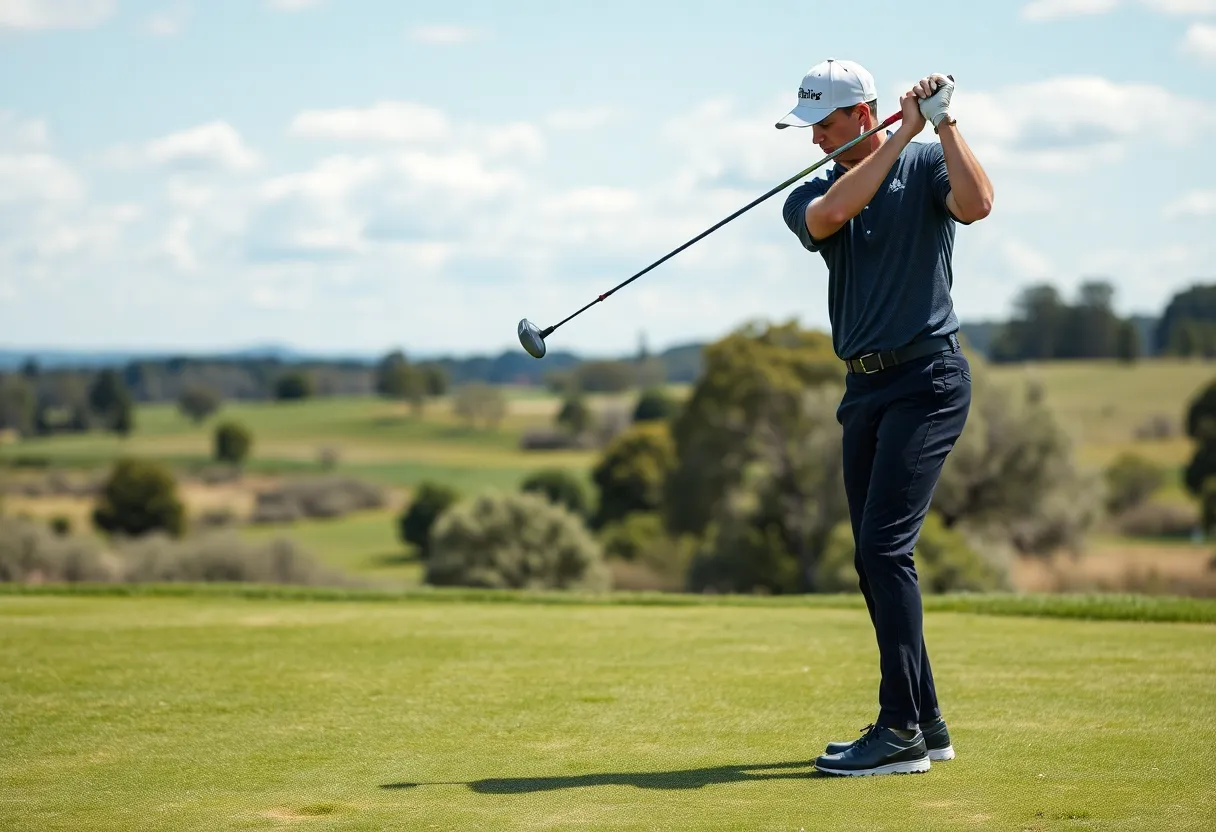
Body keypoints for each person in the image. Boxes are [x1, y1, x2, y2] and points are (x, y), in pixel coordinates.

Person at [776, 58, 994, 777]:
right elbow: (831, 215)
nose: (814, 142)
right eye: (808, 128)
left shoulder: (929, 163)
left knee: (883, 549)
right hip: (863, 390)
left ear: (860, 116)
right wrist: (899, 136)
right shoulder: (817, 189)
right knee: (874, 557)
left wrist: (943, 124)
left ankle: (898, 728)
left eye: (825, 126)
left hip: (928, 377)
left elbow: (978, 203)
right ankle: (925, 722)